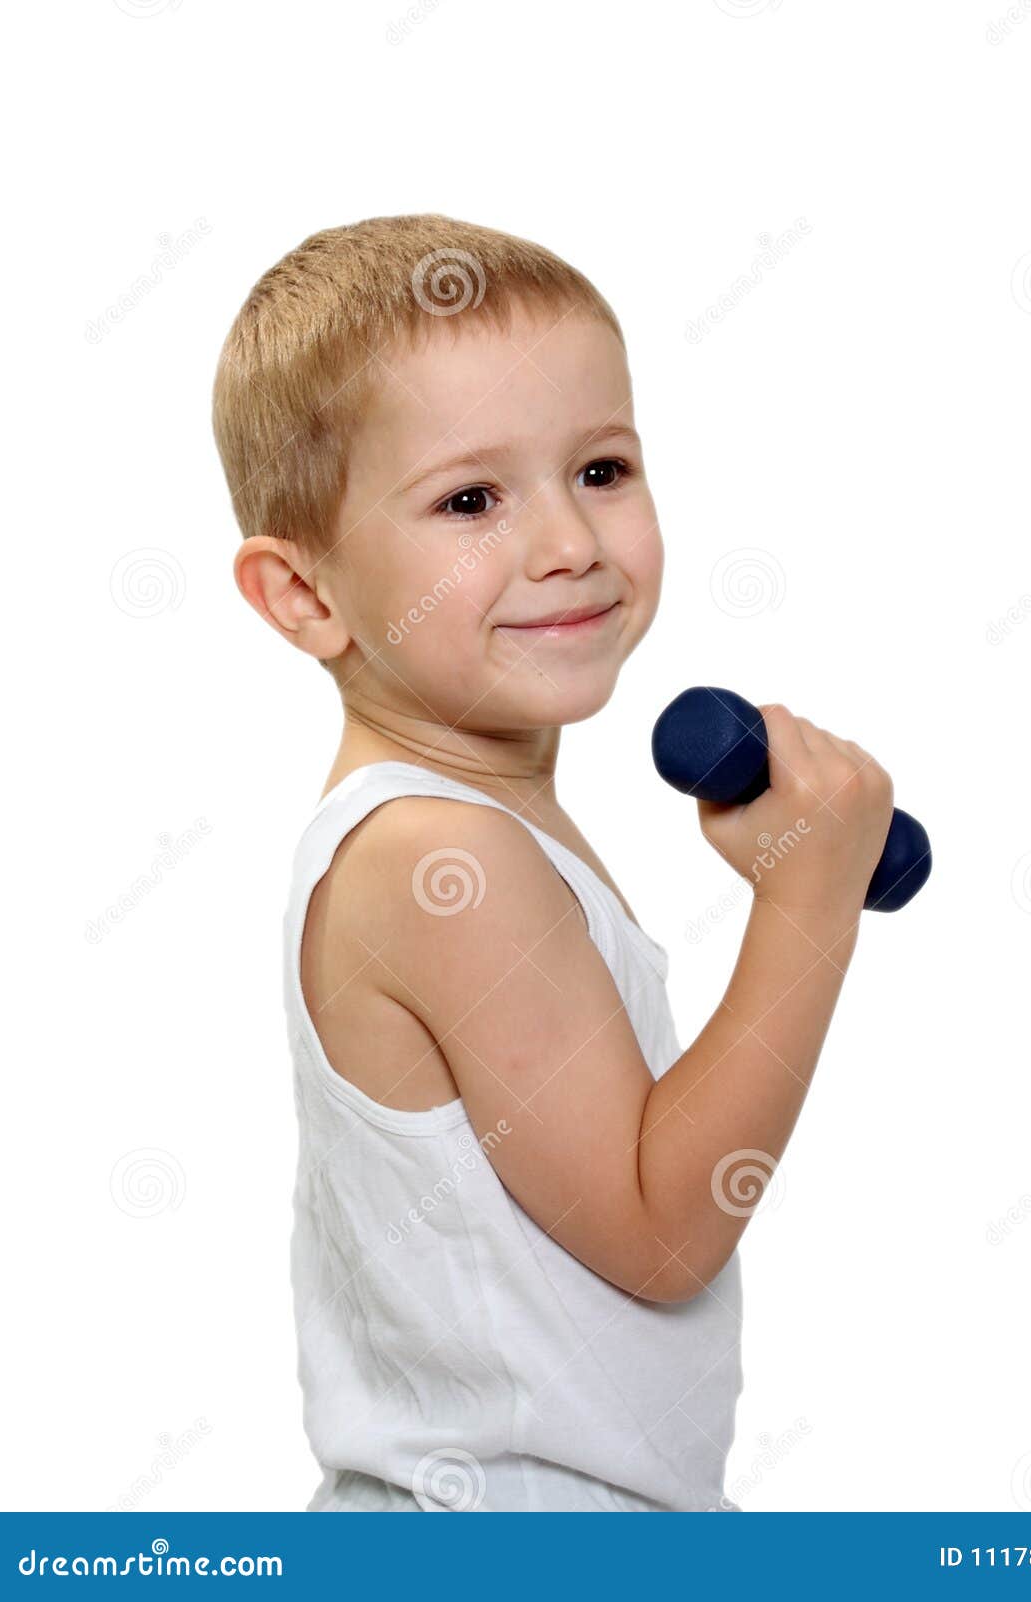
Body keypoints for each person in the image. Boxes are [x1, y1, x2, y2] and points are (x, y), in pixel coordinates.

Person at [212, 213, 894, 1512]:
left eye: (601, 468)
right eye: (472, 498)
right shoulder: (438, 856)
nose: (570, 543)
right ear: (306, 597)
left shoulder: (470, 824)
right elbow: (662, 1229)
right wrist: (809, 908)